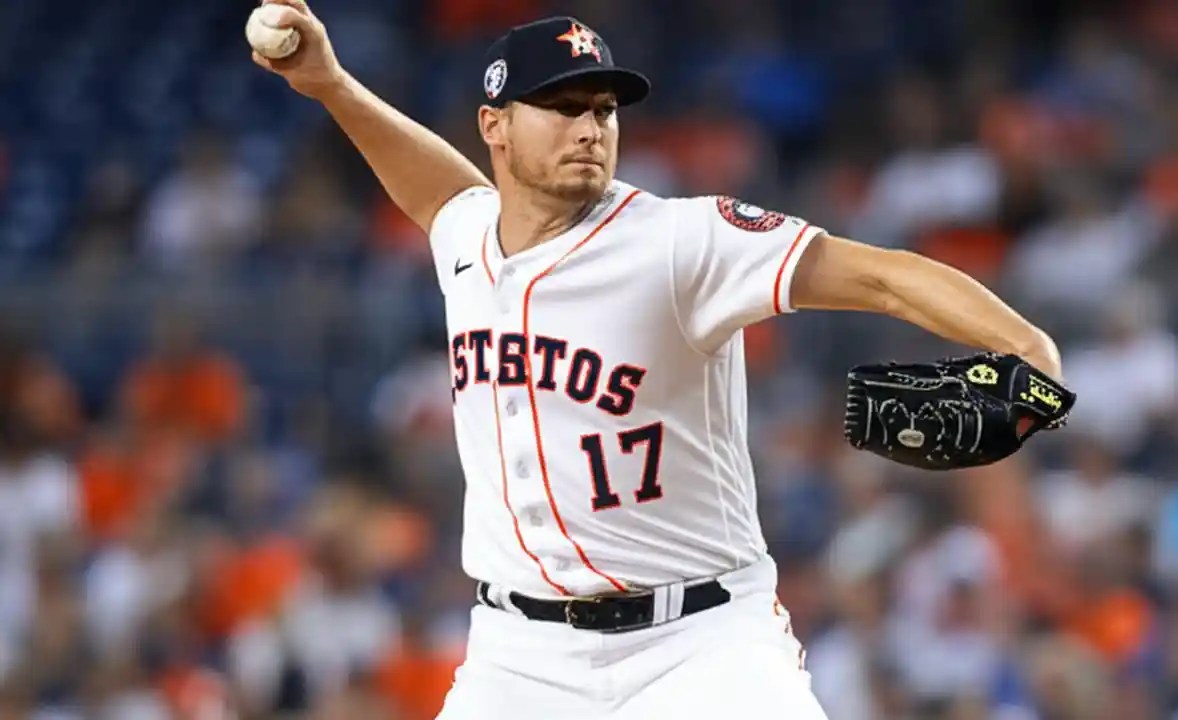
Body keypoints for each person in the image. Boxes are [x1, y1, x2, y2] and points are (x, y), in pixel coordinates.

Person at [250, 4, 1062, 718]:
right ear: (494, 126)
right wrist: (332, 86)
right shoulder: (469, 241)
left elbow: (881, 276)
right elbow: (439, 195)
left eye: (603, 109)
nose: (590, 128)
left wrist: (1027, 347)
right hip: (519, 655)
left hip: (701, 643)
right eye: (561, 107)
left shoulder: (679, 242)